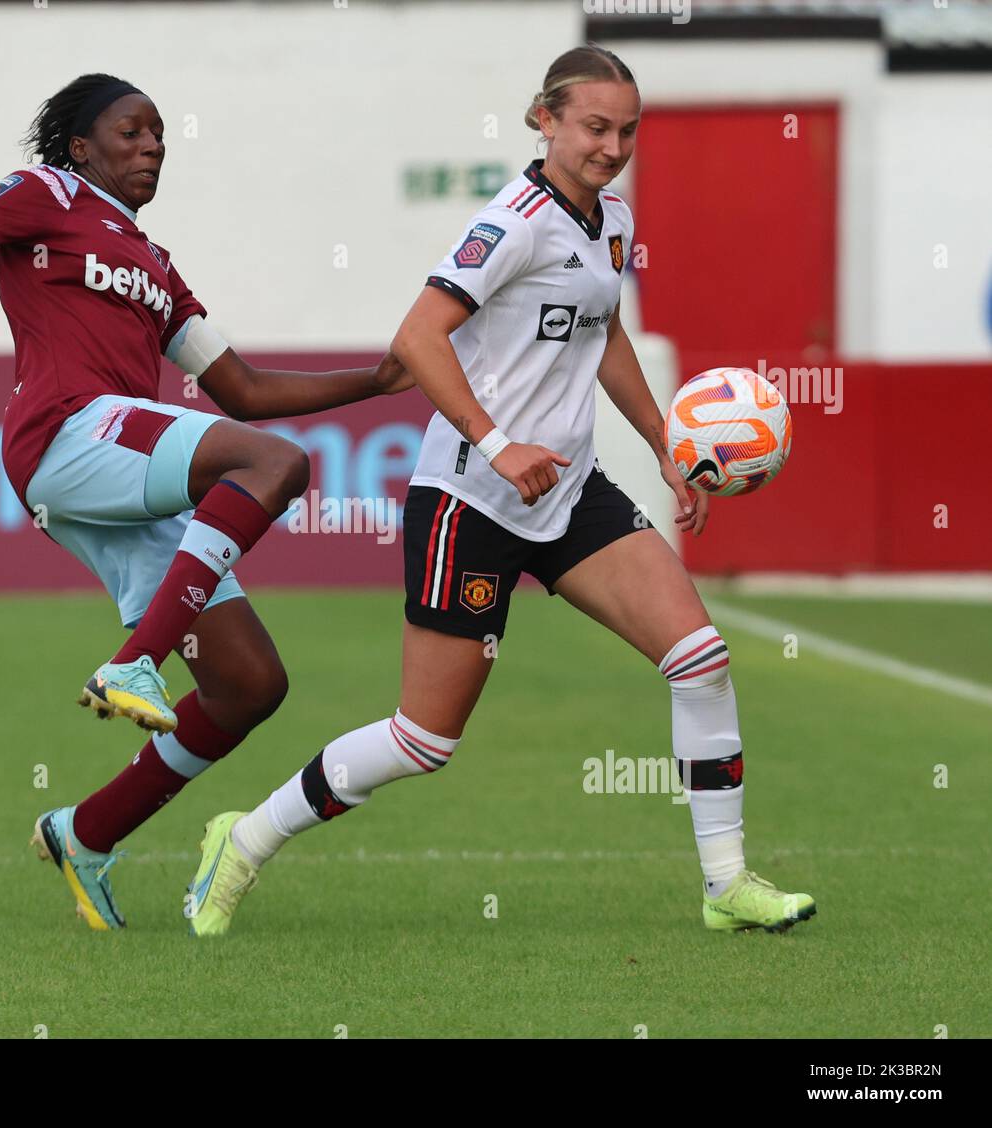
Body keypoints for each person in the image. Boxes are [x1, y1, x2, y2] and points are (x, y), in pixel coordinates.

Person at [0, 73, 411, 931]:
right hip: (66, 434)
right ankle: (137, 659)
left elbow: (239, 388)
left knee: (249, 686)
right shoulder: (45, 192)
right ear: (81, 147)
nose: (151, 148)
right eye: (132, 133)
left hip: (117, 481)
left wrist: (380, 380)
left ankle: (85, 835)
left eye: (161, 137)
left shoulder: (158, 268)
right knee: (276, 466)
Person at [184, 46, 816, 937]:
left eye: (627, 130)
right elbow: (419, 337)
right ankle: (242, 840)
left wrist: (669, 448)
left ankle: (726, 884)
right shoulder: (512, 223)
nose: (612, 146)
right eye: (595, 127)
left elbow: (606, 336)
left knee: (699, 657)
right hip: (470, 500)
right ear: (545, 119)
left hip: (567, 493)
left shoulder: (614, 221)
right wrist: (497, 440)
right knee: (423, 741)